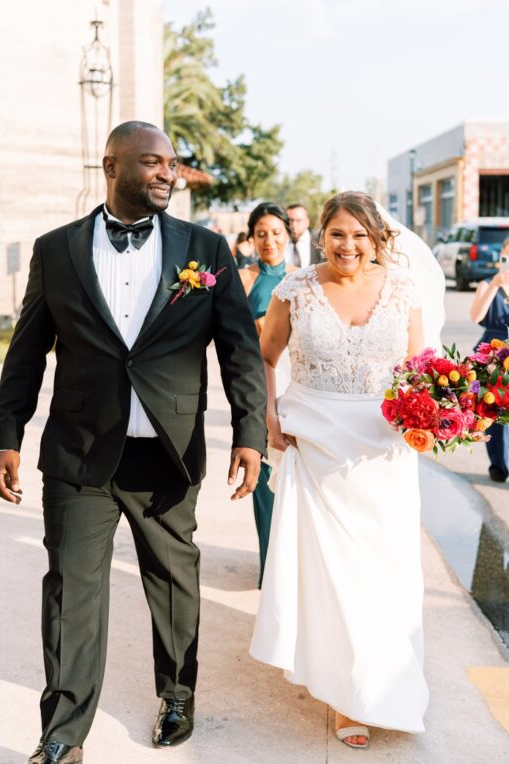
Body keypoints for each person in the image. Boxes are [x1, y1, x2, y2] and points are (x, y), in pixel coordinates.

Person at [0, 121, 267, 762]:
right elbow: (27, 351)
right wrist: (8, 435)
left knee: (173, 580)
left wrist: (249, 433)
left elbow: (240, 350)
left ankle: (177, 696)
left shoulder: (205, 248)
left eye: (171, 163)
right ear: (110, 165)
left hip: (166, 450)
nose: (167, 174)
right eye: (152, 162)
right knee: (70, 588)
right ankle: (62, 733)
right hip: (79, 447)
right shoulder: (55, 249)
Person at [250, 191, 429, 749]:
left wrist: (432, 419)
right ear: (321, 235)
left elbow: (420, 371)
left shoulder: (403, 290)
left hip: (384, 452)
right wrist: (269, 410)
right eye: (337, 233)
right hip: (319, 448)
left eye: (359, 235)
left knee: (387, 575)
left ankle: (392, 683)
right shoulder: (296, 289)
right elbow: (265, 356)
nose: (347, 245)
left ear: (377, 239)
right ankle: (346, 696)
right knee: (336, 581)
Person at [238, 202, 296, 587]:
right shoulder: (244, 278)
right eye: (261, 234)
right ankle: (270, 569)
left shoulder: (302, 277)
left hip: (297, 380)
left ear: (288, 235)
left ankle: (295, 567)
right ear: (252, 238)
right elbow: (229, 335)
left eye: (276, 232)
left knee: (294, 475)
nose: (269, 240)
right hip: (259, 382)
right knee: (264, 473)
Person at [468, 235, 509, 482]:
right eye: (507, 256)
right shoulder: (486, 283)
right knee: (493, 411)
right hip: (491, 354)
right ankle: (498, 464)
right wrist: (495, 285)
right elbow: (475, 316)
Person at [285, 203, 321, 268]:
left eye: (299, 220)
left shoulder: (320, 242)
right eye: (290, 220)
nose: (294, 225)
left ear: (307, 222)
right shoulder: (278, 243)